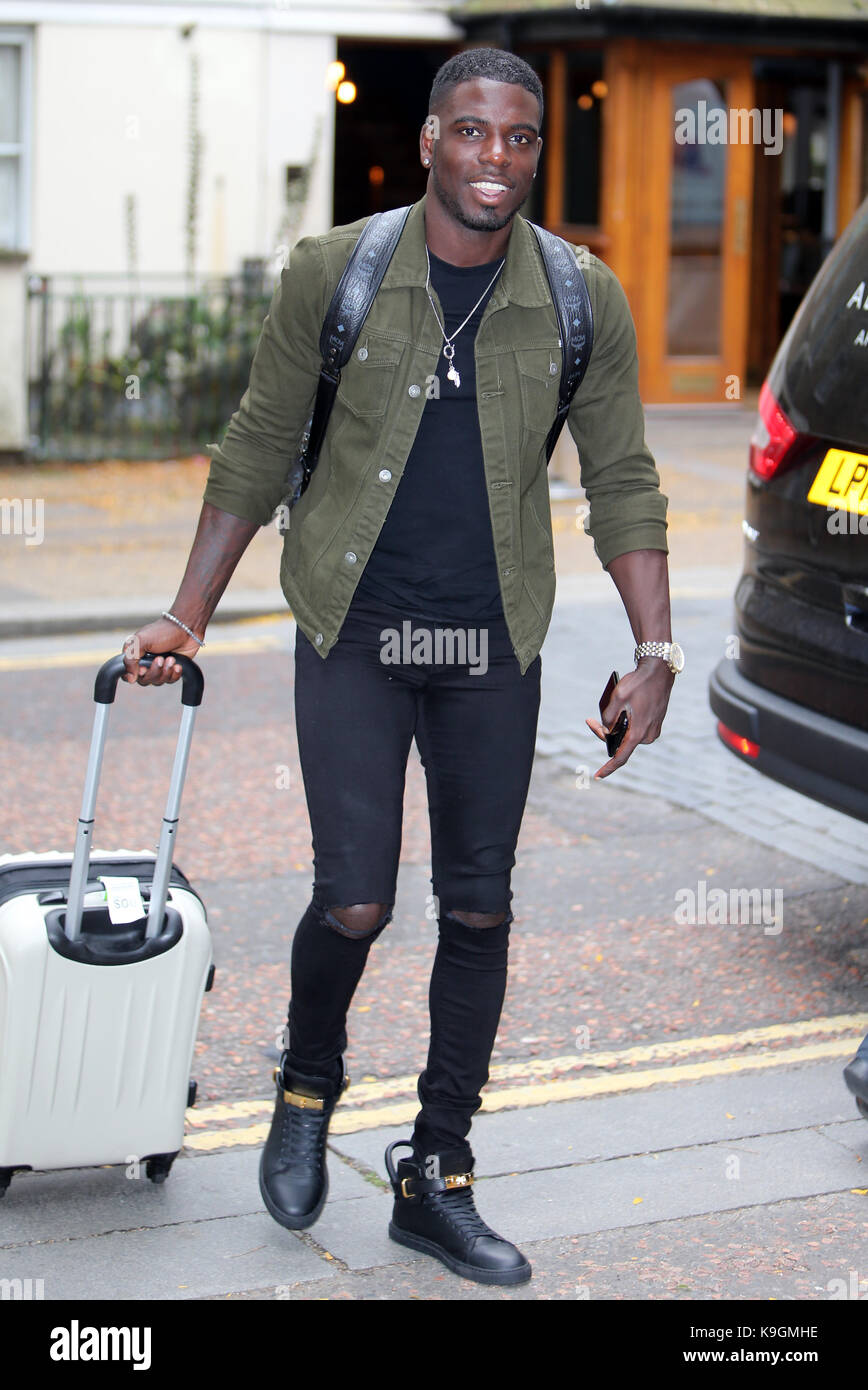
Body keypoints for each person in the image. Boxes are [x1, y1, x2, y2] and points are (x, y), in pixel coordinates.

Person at [121, 47, 682, 1288]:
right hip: (358, 627)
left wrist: (653, 648)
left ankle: (437, 1172)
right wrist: (186, 614)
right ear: (428, 140)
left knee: (479, 907)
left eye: (520, 138)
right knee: (357, 899)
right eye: (472, 132)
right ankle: (308, 1077)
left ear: (538, 151)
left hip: (493, 643)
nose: (496, 157)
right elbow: (260, 439)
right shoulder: (340, 271)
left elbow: (623, 477)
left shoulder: (579, 297)